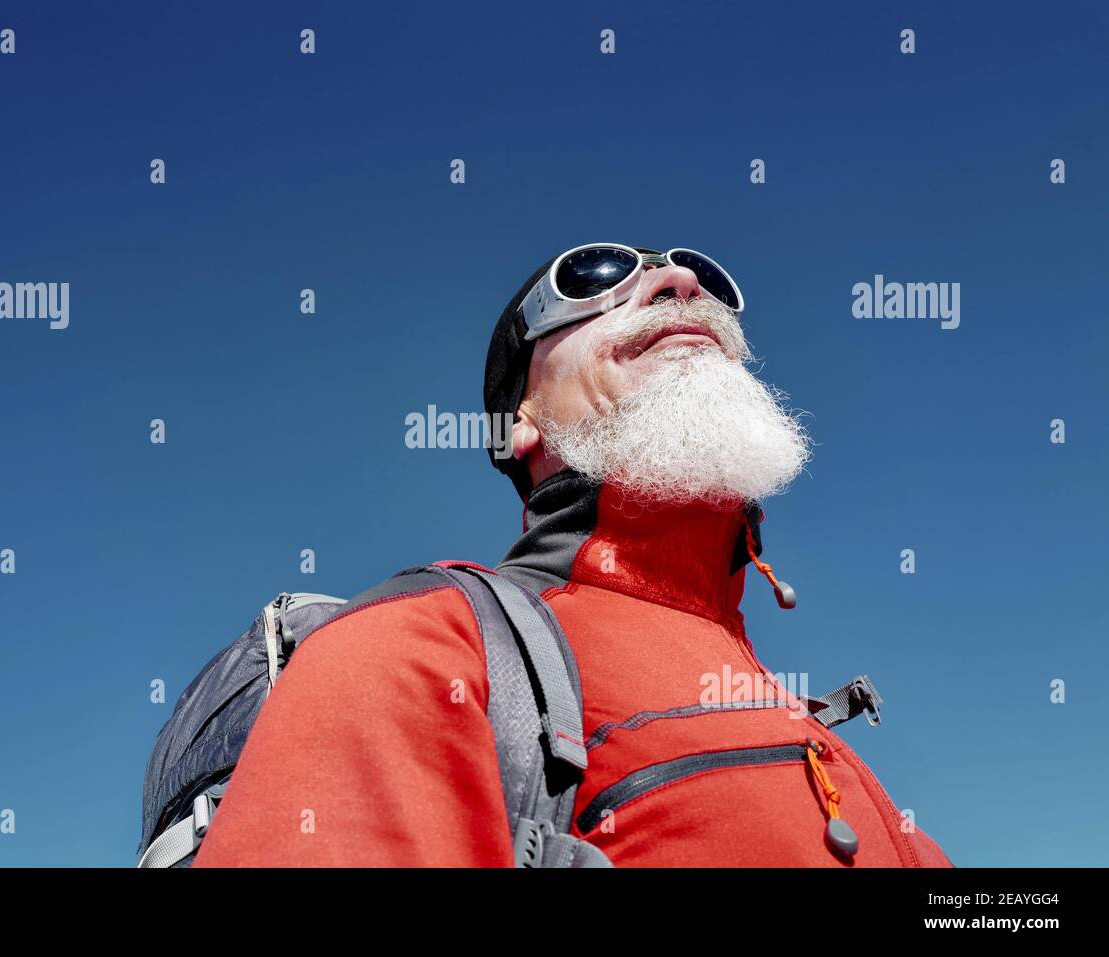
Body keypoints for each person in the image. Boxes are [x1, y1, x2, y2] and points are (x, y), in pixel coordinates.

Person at [194, 243, 952, 867]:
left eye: (705, 282)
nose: (681, 283)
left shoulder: (805, 726)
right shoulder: (426, 642)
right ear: (519, 421)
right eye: (596, 276)